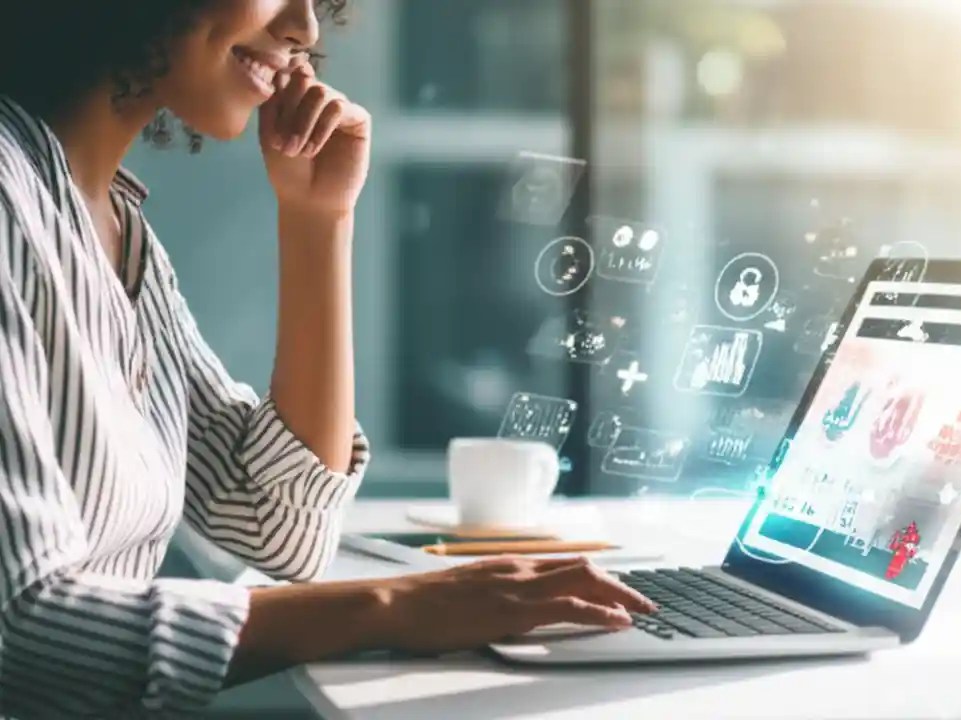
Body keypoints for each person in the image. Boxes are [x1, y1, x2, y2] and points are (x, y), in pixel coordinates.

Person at [0, 1, 655, 716]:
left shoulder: (115, 231)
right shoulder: (10, 204)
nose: (306, 30)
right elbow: (22, 631)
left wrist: (318, 218)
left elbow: (280, 526)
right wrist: (390, 605)